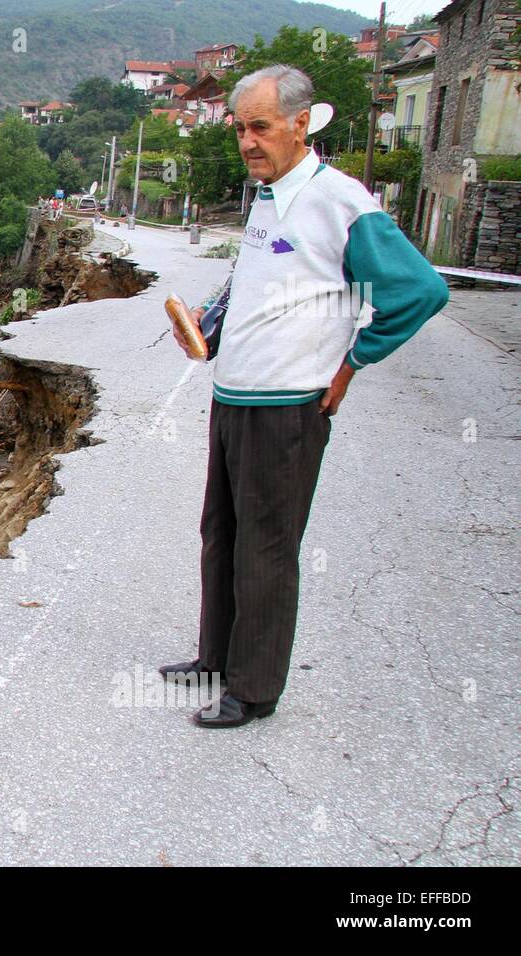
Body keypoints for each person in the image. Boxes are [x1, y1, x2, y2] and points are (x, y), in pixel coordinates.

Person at [160, 64, 449, 728]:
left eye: (259, 127)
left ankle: (254, 690)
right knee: (221, 535)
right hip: (235, 395)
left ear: (300, 122)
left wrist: (350, 367)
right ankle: (216, 658)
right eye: (239, 129)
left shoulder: (339, 201)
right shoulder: (267, 197)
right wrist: (206, 326)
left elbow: (420, 292)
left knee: (266, 546)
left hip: (289, 408)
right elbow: (258, 286)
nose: (247, 141)